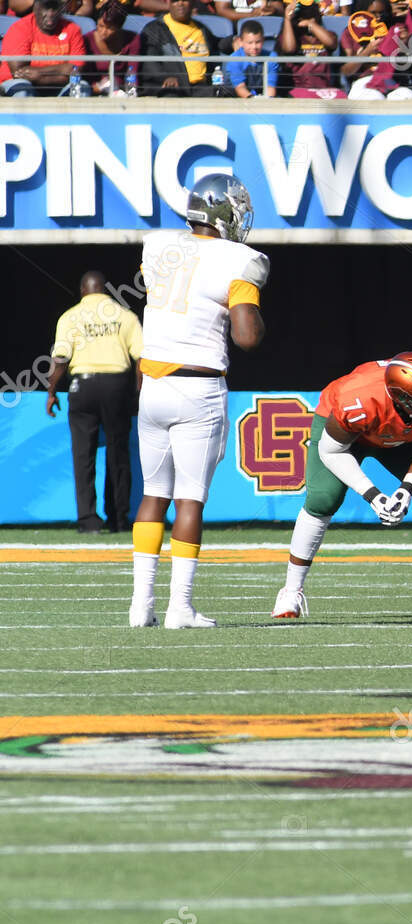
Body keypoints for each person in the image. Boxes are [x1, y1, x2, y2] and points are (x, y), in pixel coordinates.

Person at [129, 176, 267, 630]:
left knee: (153, 496)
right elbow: (246, 338)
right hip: (198, 386)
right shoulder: (239, 260)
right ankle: (179, 608)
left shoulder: (159, 247)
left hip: (152, 384)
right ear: (225, 213)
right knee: (189, 500)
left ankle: (140, 606)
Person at [272, 354, 412, 622]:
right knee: (324, 498)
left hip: (404, 439)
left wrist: (407, 489)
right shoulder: (358, 398)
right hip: (345, 435)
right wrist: (373, 495)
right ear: (402, 398)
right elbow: (332, 451)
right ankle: (290, 591)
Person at [45, 271, 142, 534]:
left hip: (83, 385)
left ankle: (88, 520)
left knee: (83, 454)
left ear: (82, 291)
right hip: (117, 385)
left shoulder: (70, 316)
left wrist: (52, 391)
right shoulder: (125, 316)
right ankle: (119, 518)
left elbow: (62, 357)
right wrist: (137, 392)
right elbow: (141, 359)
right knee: (118, 452)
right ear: (104, 290)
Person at [140, 0, 221, 95]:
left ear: (193, 2)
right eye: (175, 0)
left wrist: (232, 41)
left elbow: (217, 43)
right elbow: (149, 62)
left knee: (227, 94)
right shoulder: (155, 29)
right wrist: (165, 77)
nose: (180, 3)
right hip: (172, 88)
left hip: (200, 88)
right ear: (168, 3)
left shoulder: (201, 29)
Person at [0, 0, 84, 94]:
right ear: (35, 8)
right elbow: (18, 73)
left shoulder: (73, 29)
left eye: (54, 8)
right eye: (46, 8)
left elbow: (75, 71)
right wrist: (63, 70)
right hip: (17, 83)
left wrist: (37, 73)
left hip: (58, 86)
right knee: (23, 90)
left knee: (81, 87)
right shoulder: (20, 28)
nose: (50, 14)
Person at [226, 18, 277, 98]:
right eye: (250, 43)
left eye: (258, 42)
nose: (254, 47)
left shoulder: (271, 57)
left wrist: (267, 103)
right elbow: (240, 87)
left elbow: (270, 86)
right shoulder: (234, 59)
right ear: (240, 42)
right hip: (238, 100)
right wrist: (253, 102)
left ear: (263, 40)